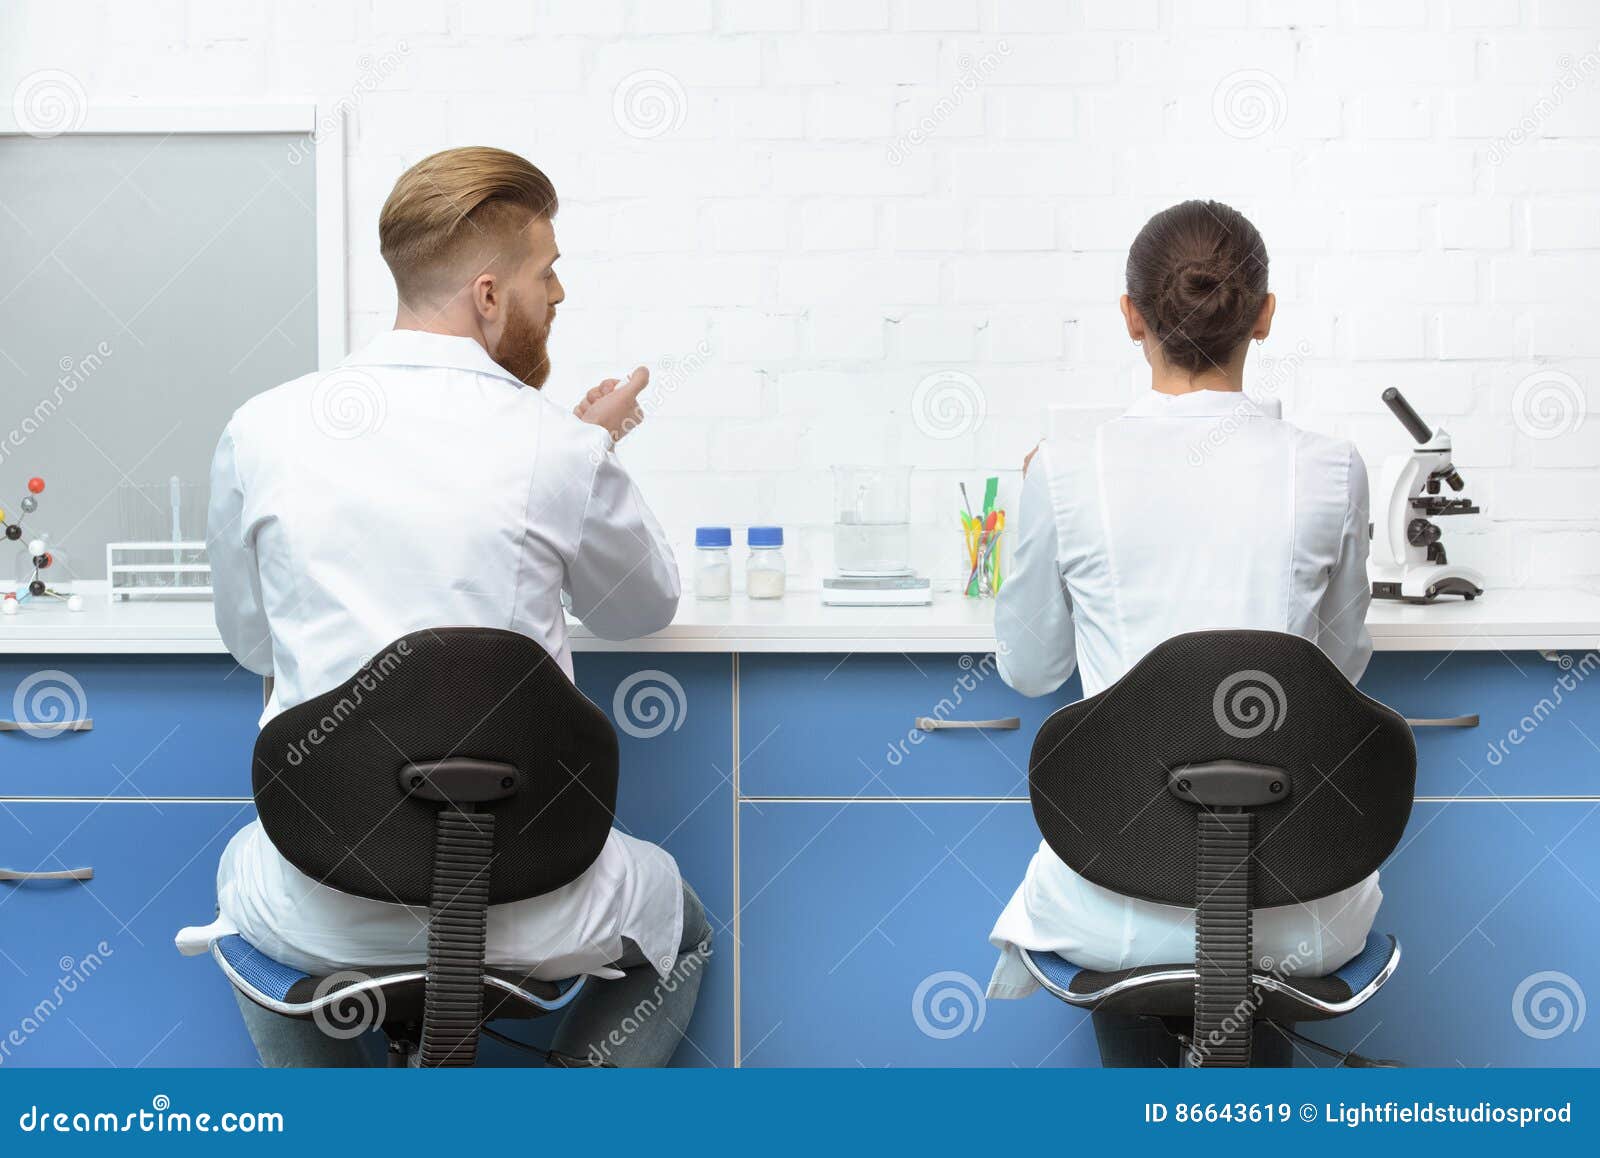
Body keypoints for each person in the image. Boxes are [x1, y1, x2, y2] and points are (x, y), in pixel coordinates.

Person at [191, 146, 707, 1067]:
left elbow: (247, 640)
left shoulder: (261, 427)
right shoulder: (560, 448)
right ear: (487, 295)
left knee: (247, 907)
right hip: (532, 896)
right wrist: (591, 453)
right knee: (683, 929)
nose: (557, 295)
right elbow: (640, 609)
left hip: (326, 886)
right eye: (546, 273)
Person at [986, 200, 1375, 1067]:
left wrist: (1039, 508)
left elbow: (1029, 668)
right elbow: (1338, 669)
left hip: (1116, 896)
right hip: (1299, 901)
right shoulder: (1333, 468)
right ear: (1265, 313)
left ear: (1131, 316)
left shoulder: (1064, 468)